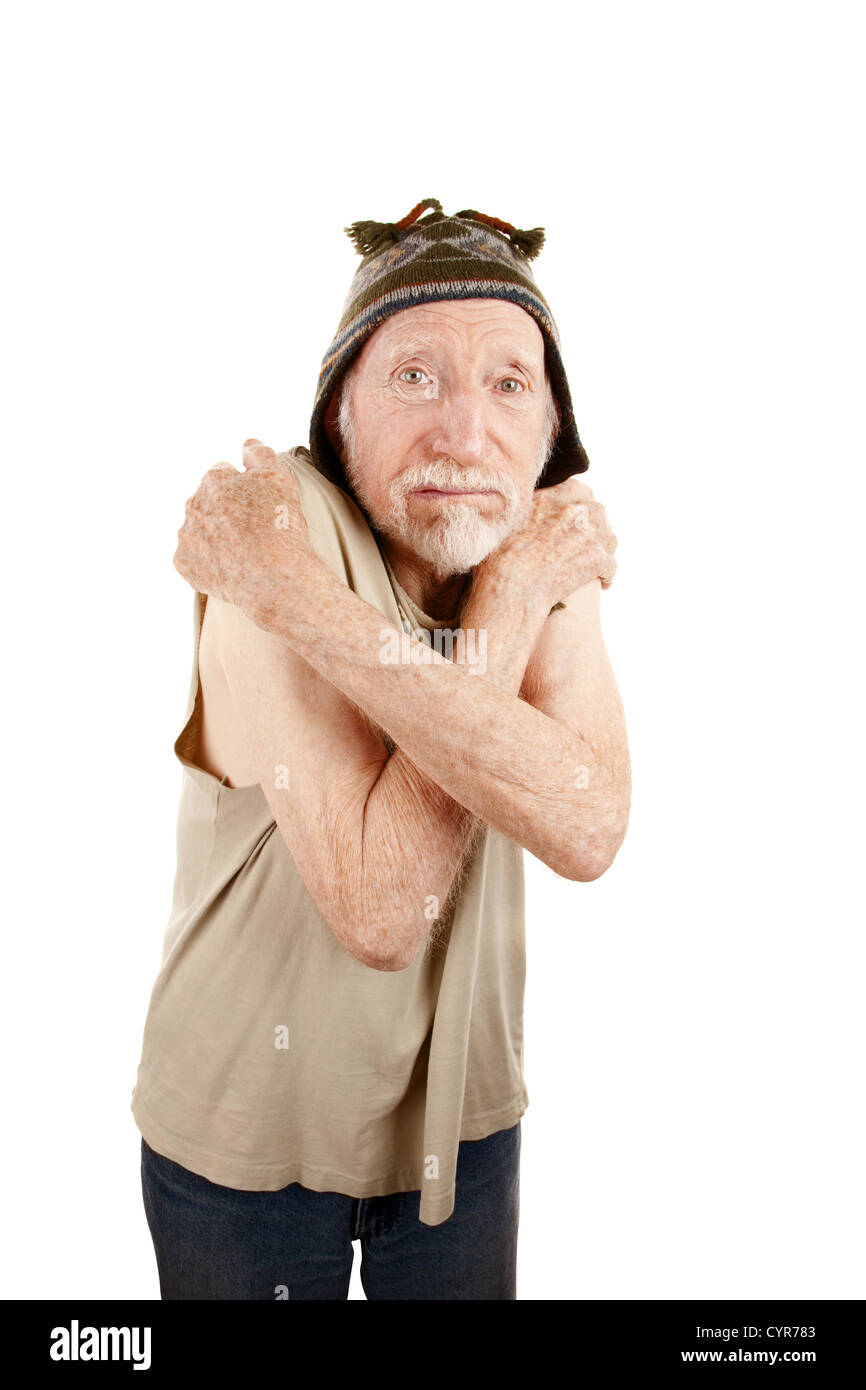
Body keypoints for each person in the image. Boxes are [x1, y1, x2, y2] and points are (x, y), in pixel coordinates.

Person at [131, 197, 630, 1300]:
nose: (464, 433)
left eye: (508, 383)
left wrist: (474, 593)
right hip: (243, 1136)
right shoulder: (270, 527)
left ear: (548, 427)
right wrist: (505, 607)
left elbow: (590, 825)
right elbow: (379, 909)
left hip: (463, 1120)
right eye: (414, 376)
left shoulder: (528, 540)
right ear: (337, 410)